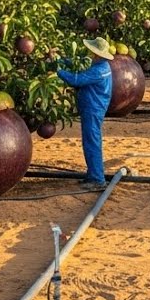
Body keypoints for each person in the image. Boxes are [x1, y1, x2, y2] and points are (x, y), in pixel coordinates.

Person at [57, 37, 114, 189]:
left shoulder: (99, 70)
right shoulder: (99, 64)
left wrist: (58, 71)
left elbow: (76, 80)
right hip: (93, 107)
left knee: (92, 142)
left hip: (93, 108)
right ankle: (92, 175)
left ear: (97, 54)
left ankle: (97, 179)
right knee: (90, 141)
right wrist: (60, 60)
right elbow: (78, 64)